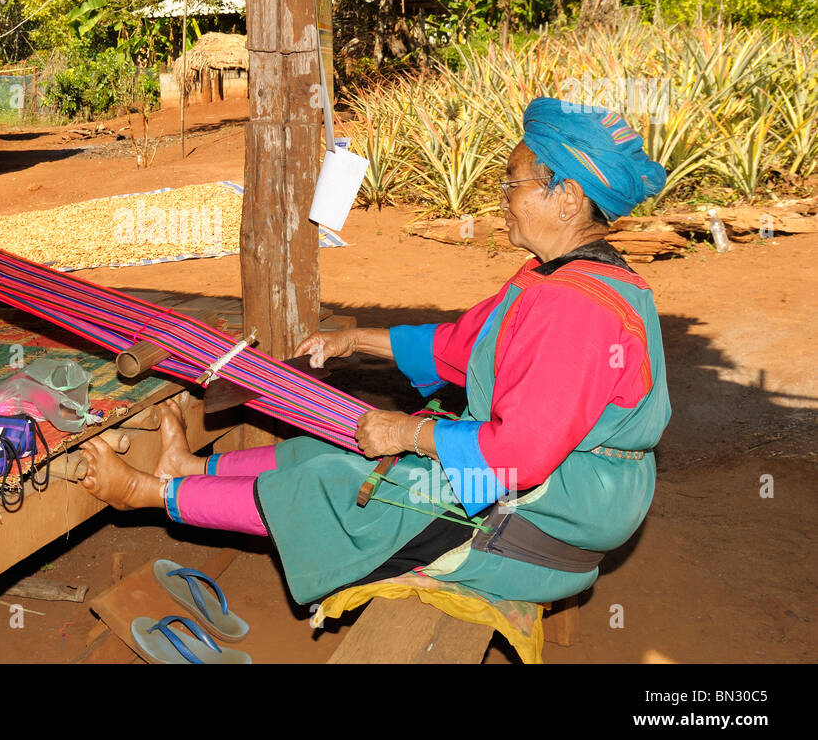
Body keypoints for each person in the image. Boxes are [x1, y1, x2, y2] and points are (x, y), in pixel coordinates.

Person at [79, 97, 672, 607]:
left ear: (566, 197)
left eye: (512, 183)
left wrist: (407, 436)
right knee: (324, 450)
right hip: (541, 488)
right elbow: (462, 348)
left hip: (547, 521)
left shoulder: (579, 310)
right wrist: (353, 339)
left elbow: (518, 455)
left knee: (350, 487)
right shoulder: (551, 279)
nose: (502, 197)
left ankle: (148, 495)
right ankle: (190, 471)